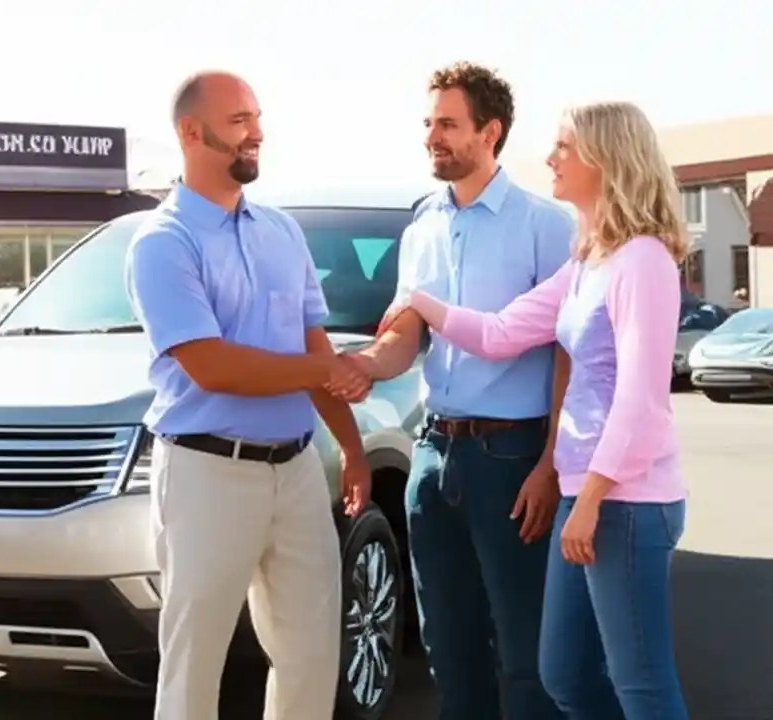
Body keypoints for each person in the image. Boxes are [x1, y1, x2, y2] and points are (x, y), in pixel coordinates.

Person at [391, 100, 691, 720]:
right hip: (589, 496)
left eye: (564, 147)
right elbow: (502, 332)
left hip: (626, 503)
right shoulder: (590, 260)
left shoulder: (643, 262)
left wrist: (587, 500)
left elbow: (640, 402)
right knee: (565, 677)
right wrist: (421, 302)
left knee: (643, 687)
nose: (550, 157)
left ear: (607, 160)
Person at [124, 70, 372, 720]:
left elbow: (312, 344)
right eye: (239, 121)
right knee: (194, 661)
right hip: (206, 473)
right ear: (190, 131)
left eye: (257, 118)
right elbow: (212, 366)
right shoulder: (163, 242)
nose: (256, 133)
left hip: (295, 471)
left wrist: (351, 446)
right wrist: (325, 371)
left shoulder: (281, 231)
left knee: (311, 654)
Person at [340, 62, 574, 720]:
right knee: (449, 646)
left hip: (513, 460)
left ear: (489, 131)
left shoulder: (544, 226)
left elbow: (569, 351)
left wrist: (550, 464)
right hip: (433, 455)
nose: (432, 136)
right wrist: (359, 367)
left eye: (447, 124)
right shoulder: (421, 231)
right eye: (428, 123)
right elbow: (405, 336)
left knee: (526, 653)